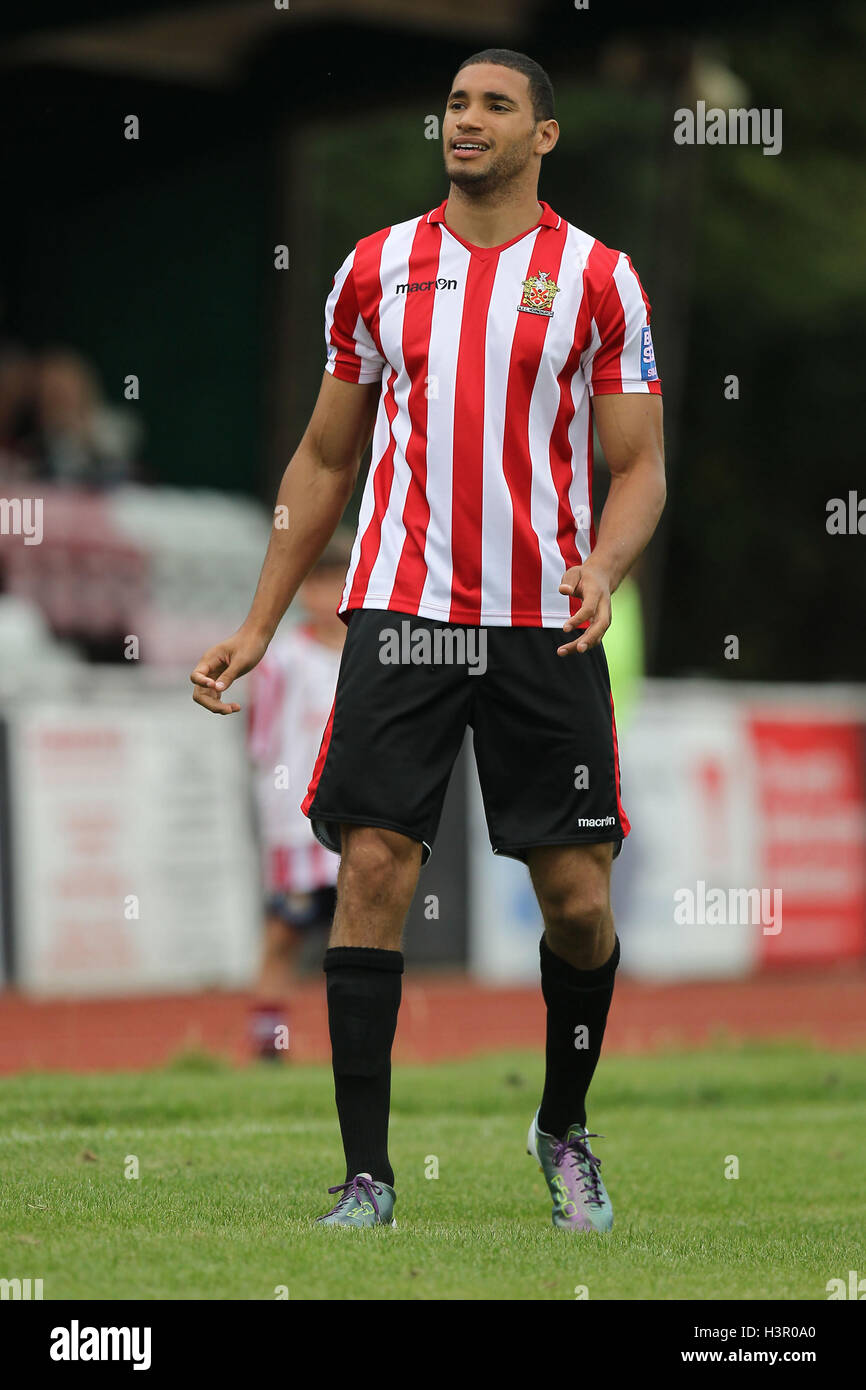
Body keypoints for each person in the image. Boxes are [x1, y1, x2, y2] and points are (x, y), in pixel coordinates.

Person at [191, 48, 666, 1233]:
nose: (466, 119)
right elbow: (322, 457)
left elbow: (639, 466)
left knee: (574, 899)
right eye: (455, 102)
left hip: (538, 624)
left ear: (541, 136)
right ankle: (366, 1178)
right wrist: (259, 620)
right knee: (371, 868)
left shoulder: (599, 280)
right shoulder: (374, 269)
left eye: (494, 105)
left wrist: (600, 568)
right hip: (400, 613)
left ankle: (561, 1126)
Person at [246, 535, 352, 1060]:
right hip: (295, 823)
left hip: (357, 820)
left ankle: (356, 1044)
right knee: (287, 931)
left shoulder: (373, 656)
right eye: (320, 581)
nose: (331, 594)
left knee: (359, 938)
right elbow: (261, 742)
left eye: (341, 580)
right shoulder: (282, 659)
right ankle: (269, 1043)